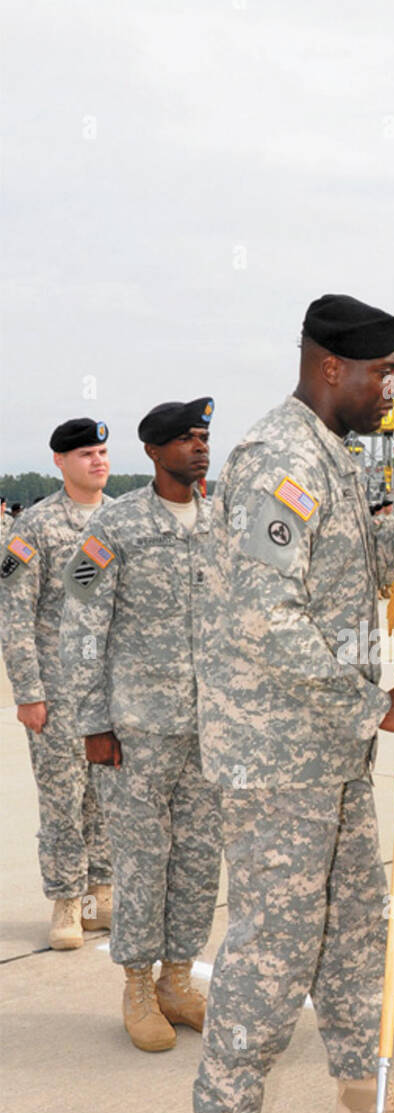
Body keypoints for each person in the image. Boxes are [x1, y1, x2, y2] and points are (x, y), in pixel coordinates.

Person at [181, 293, 394, 1113]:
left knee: (355, 927)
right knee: (273, 941)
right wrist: (372, 705)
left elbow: (342, 580)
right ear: (330, 369)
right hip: (278, 756)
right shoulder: (277, 458)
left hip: (324, 752)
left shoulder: (332, 456)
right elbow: (266, 618)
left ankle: (363, 1099)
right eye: (383, 372)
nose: (393, 387)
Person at [59, 398, 222, 1051]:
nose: (199, 447)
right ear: (153, 452)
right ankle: (135, 984)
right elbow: (79, 626)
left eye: (204, 436)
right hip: (137, 732)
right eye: (184, 438)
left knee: (196, 860)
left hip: (209, 730)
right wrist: (94, 720)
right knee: (140, 862)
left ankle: (178, 980)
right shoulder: (114, 527)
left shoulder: (222, 521)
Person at [0, 419, 114, 949]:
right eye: (87, 453)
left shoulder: (120, 520)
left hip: (111, 689)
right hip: (57, 689)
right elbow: (14, 614)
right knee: (63, 798)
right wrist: (28, 691)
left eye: (103, 451)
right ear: (60, 462)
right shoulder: (34, 528)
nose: (98, 461)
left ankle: (100, 895)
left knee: (106, 794)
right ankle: (66, 900)